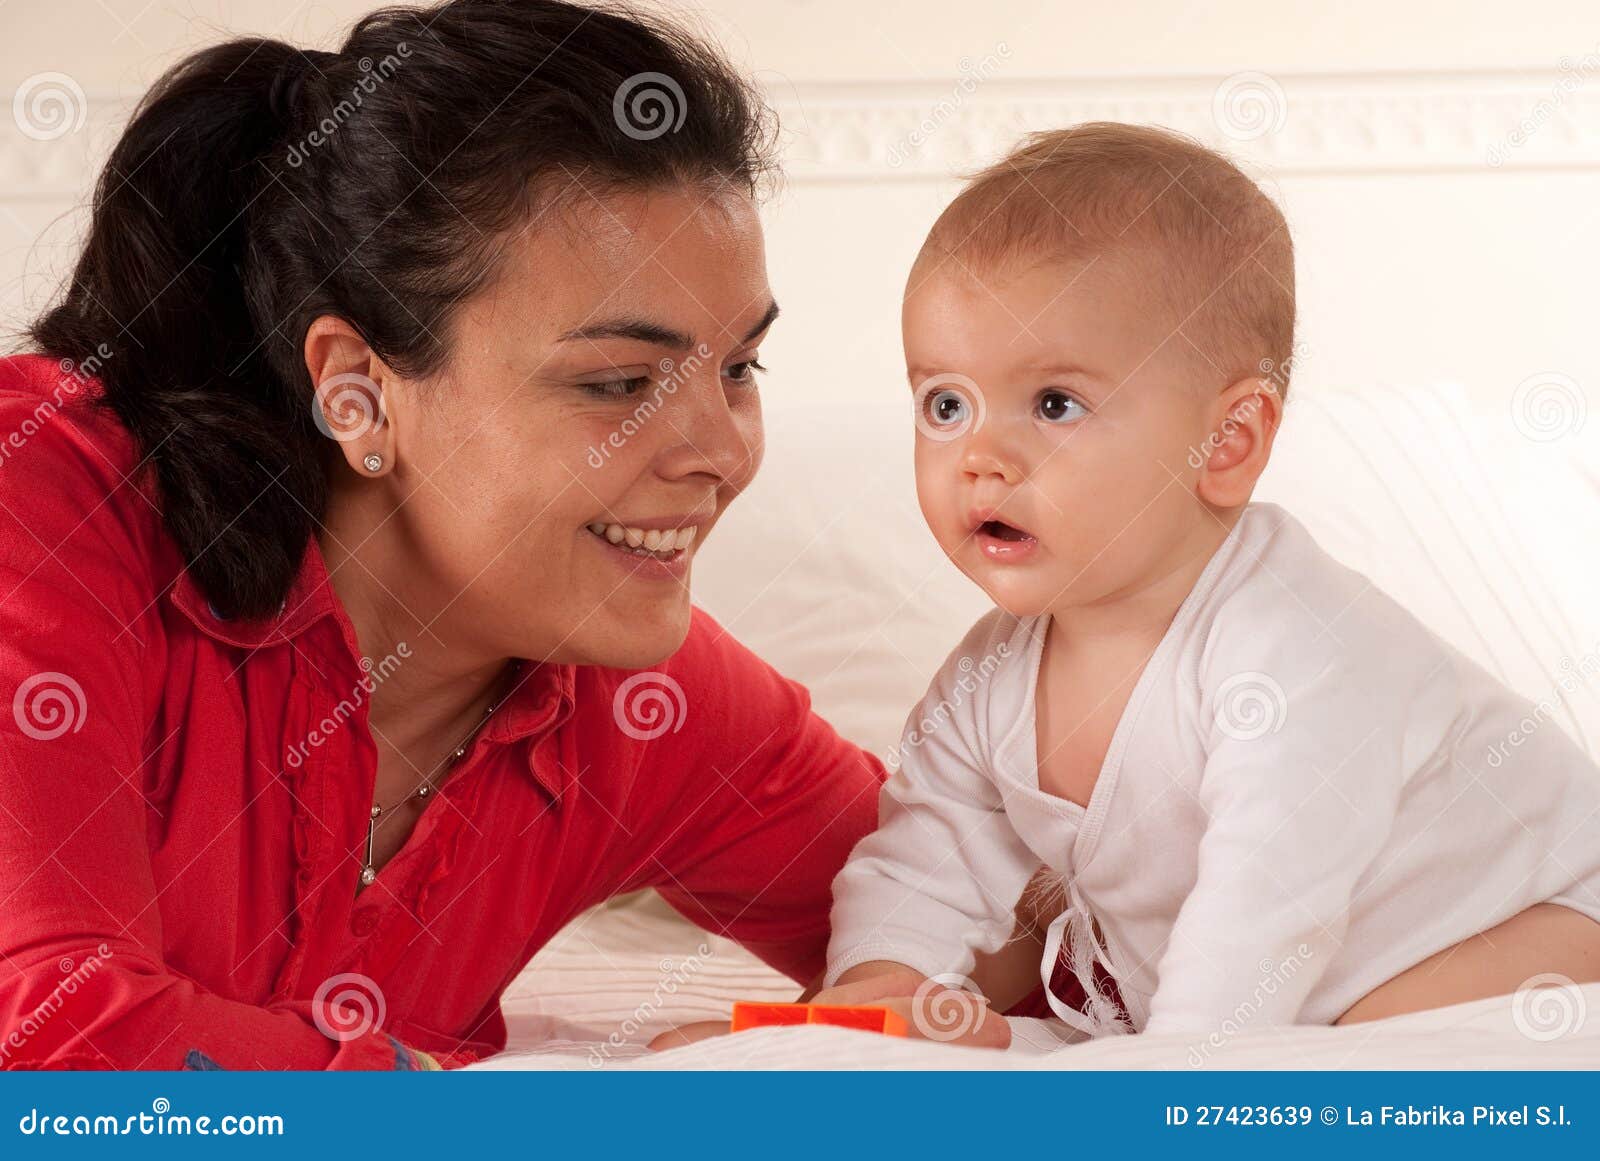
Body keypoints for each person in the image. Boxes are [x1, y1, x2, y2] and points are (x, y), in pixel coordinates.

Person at [0, 0, 901, 1070]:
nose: (721, 451)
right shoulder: (43, 497)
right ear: (360, 393)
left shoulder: (643, 701)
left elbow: (998, 944)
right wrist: (506, 1112)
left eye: (739, 369)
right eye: (618, 382)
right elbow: (49, 1041)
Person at [818, 122, 1600, 1046]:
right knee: (1047, 963)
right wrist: (874, 986)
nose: (980, 457)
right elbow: (927, 852)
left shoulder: (1296, 645)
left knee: (1368, 1041)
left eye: (1056, 404)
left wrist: (1180, 1066)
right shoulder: (988, 679)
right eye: (945, 403)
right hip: (1268, 968)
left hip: (1532, 914)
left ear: (1226, 443)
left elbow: (1268, 893)